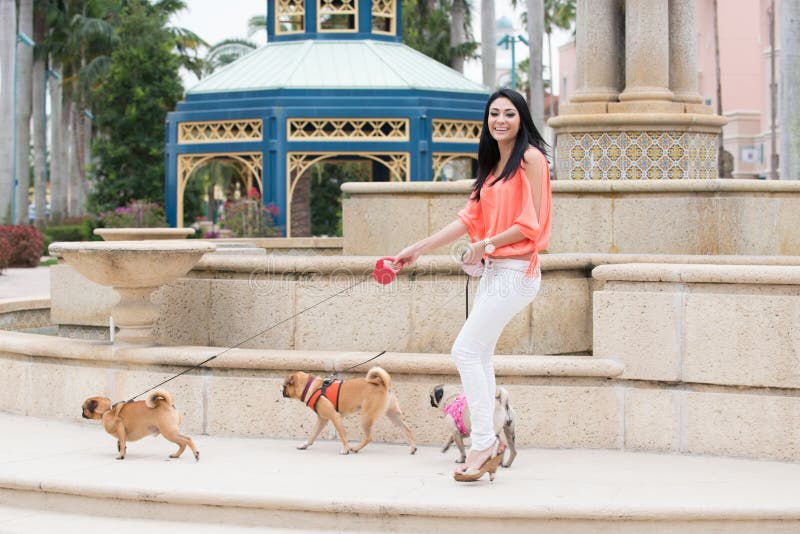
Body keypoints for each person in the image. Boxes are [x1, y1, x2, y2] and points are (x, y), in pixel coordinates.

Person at [393, 88, 552, 482]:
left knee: (464, 350)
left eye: (509, 113)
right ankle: (487, 441)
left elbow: (532, 224)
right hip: (495, 271)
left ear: (522, 118)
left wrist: (486, 245)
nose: (500, 120)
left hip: (517, 272)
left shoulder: (531, 159)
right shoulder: (493, 165)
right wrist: (417, 249)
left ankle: (483, 441)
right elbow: (467, 220)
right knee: (479, 355)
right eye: (494, 113)